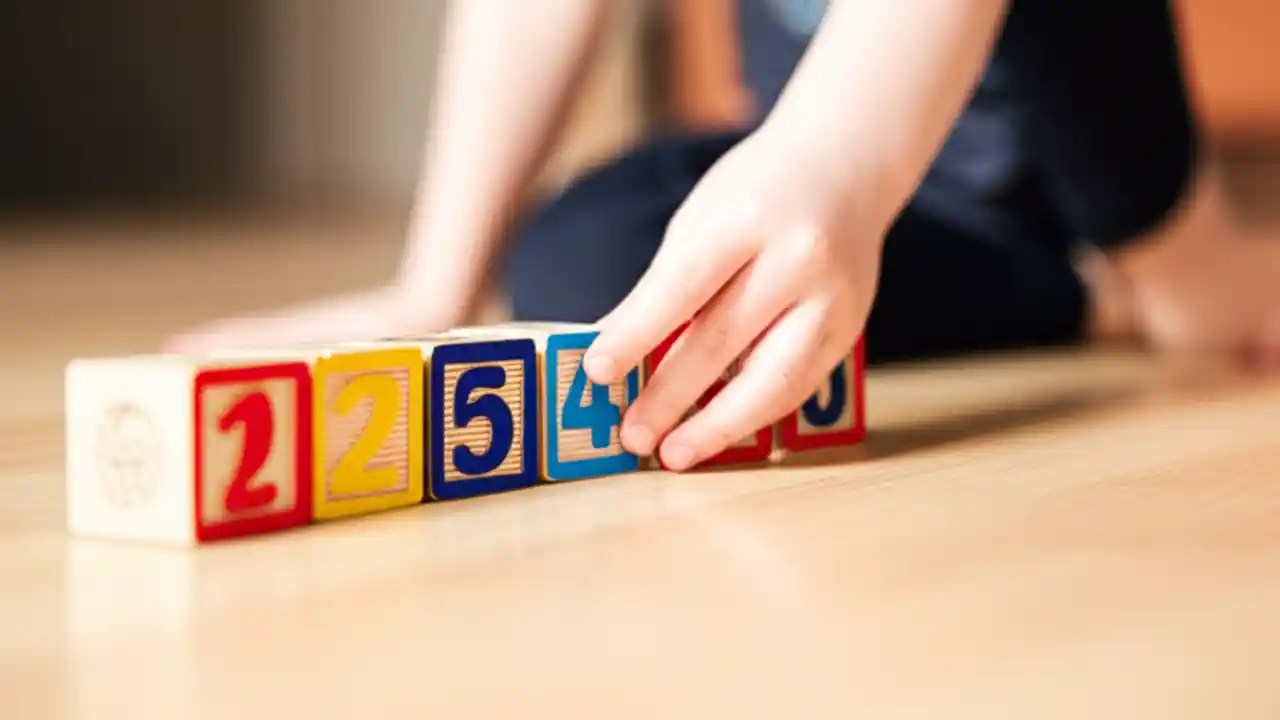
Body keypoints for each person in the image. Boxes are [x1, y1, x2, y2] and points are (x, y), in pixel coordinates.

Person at [169, 0, 1280, 471]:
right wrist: (430, 289)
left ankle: (1167, 266)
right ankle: (1074, 294)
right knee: (583, 262)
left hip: (1025, 140)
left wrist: (835, 156)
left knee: (1180, 294)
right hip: (825, 175)